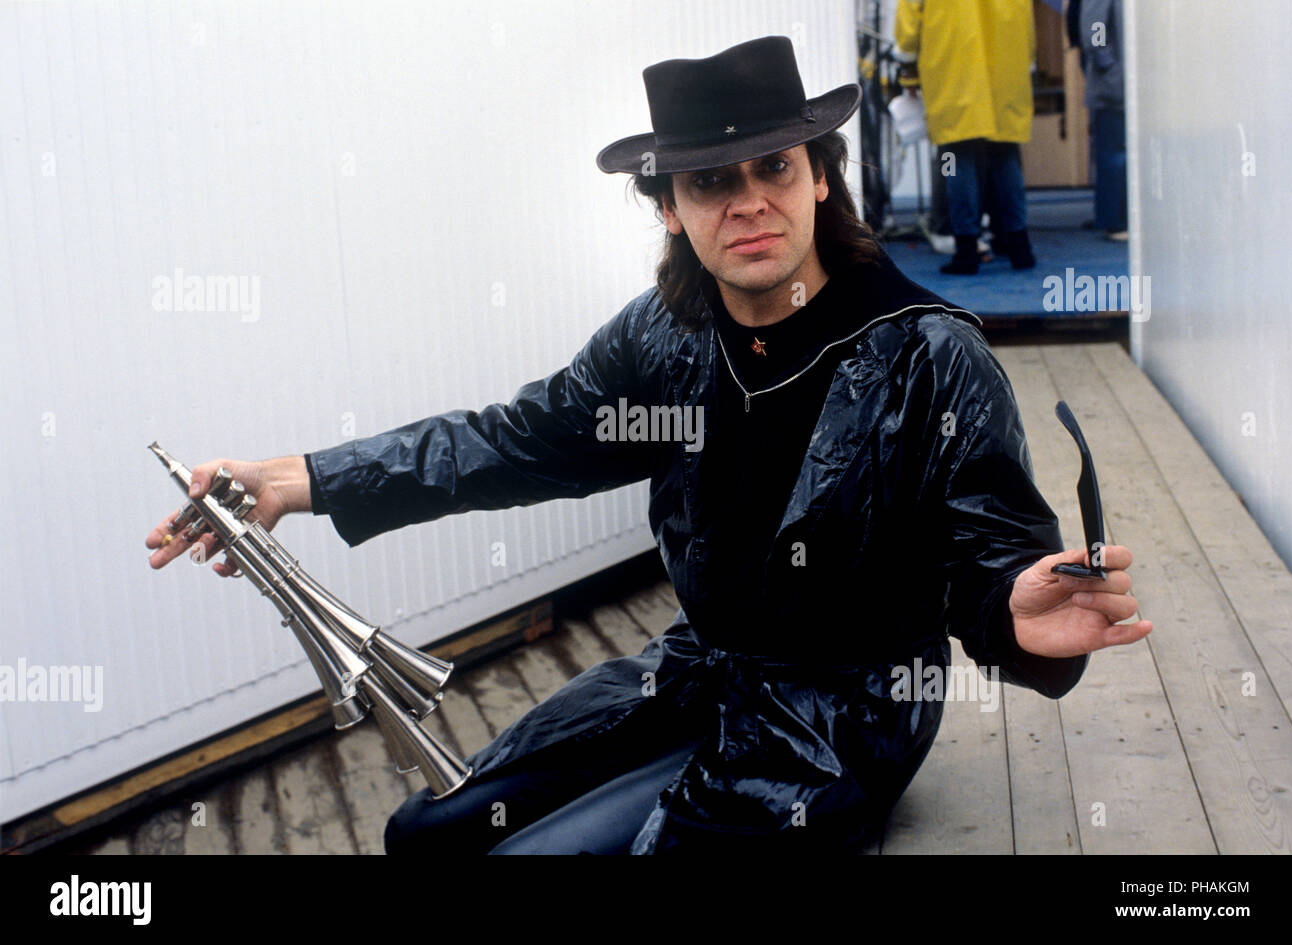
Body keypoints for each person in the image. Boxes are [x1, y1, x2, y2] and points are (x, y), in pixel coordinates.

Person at [146, 35, 1153, 854]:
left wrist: (1011, 617)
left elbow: (988, 563)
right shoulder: (665, 336)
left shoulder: (927, 355)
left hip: (846, 703)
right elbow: (514, 441)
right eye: (711, 179)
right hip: (700, 667)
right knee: (433, 832)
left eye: (773, 166)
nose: (748, 199)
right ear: (670, 208)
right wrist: (302, 478)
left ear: (819, 183)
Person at [895, 0, 1038, 273]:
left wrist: (906, 59)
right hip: (1006, 65)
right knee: (1006, 155)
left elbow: (909, 16)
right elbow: (1027, 15)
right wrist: (1027, 60)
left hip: (954, 65)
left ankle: (966, 250)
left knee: (956, 158)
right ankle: (1020, 247)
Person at [1076, 0, 1128, 240]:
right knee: (1114, 158)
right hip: (1113, 87)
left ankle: (1123, 217)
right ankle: (1114, 221)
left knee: (1123, 157)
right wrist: (1108, 65)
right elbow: (1094, 26)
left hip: (1129, 84)